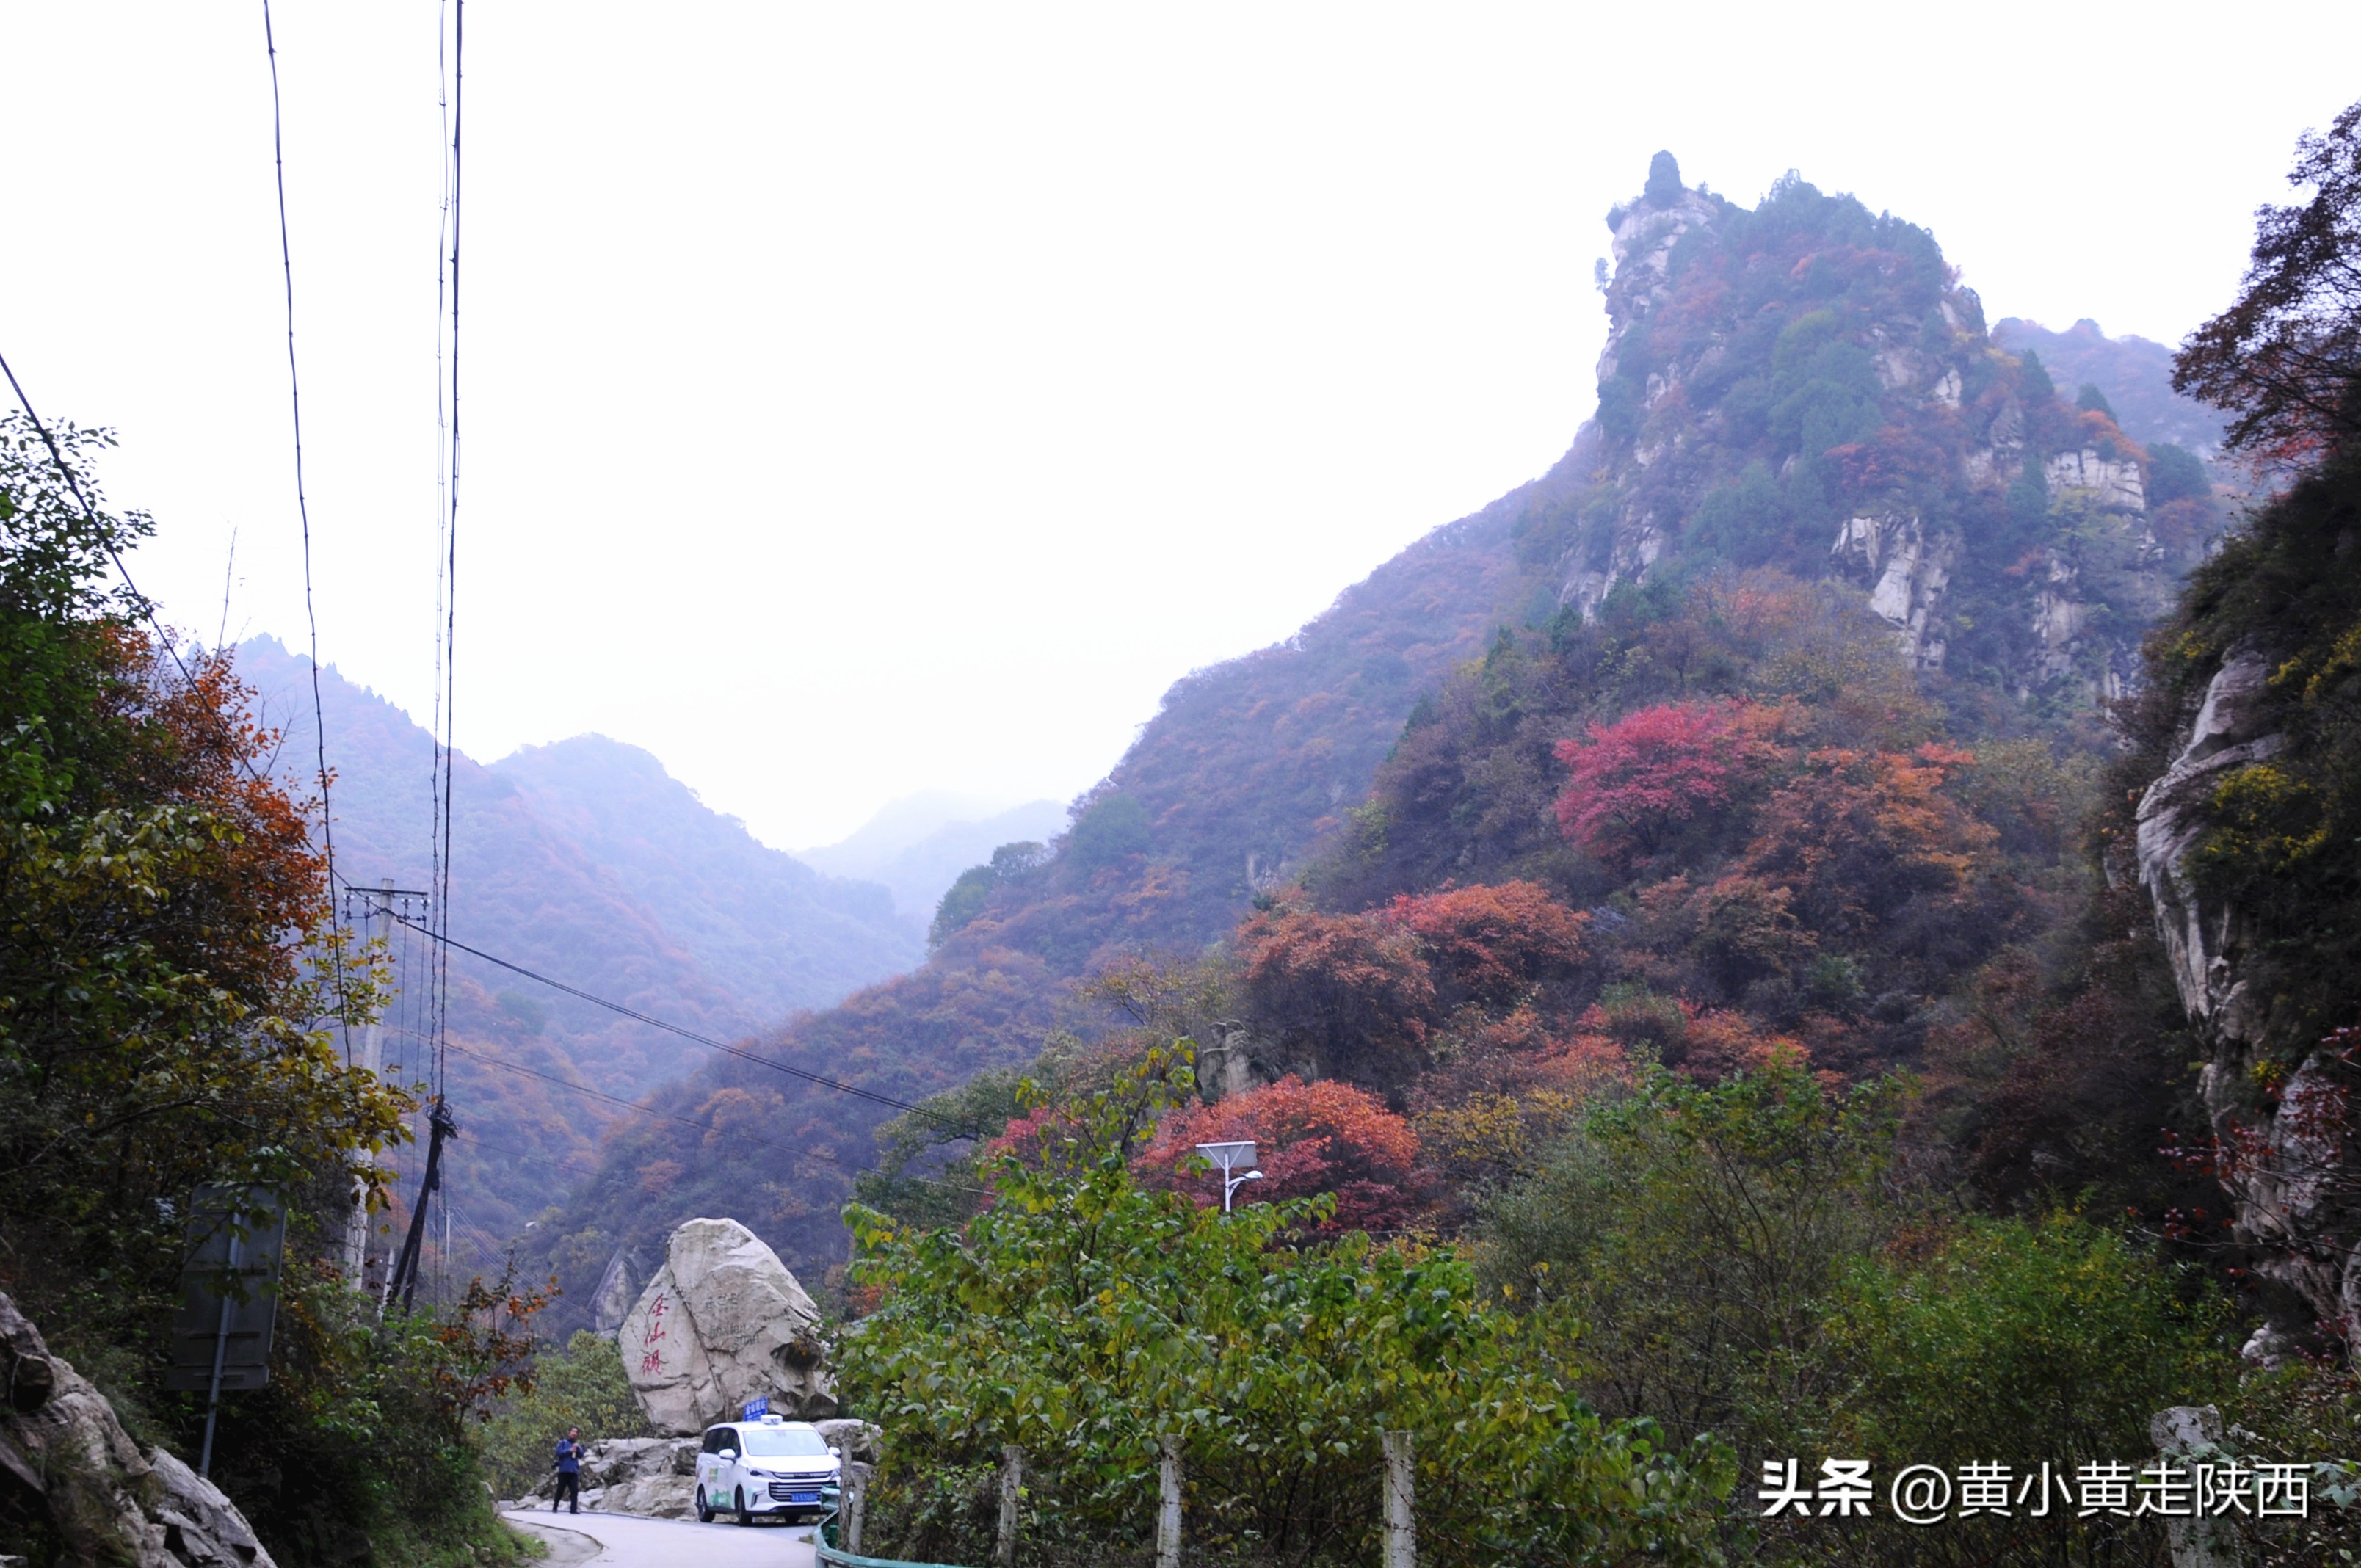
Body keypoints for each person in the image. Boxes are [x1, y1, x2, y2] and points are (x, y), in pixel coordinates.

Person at [553, 1427, 584, 1514]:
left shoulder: (577, 1445)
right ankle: (555, 1507)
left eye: (576, 1432)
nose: (574, 1434)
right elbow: (558, 1453)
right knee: (560, 1490)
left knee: (574, 1491)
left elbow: (581, 1455)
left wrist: (577, 1449)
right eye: (573, 1432)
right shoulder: (563, 1443)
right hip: (564, 1470)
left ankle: (573, 1509)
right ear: (569, 1433)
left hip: (573, 1471)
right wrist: (569, 1451)